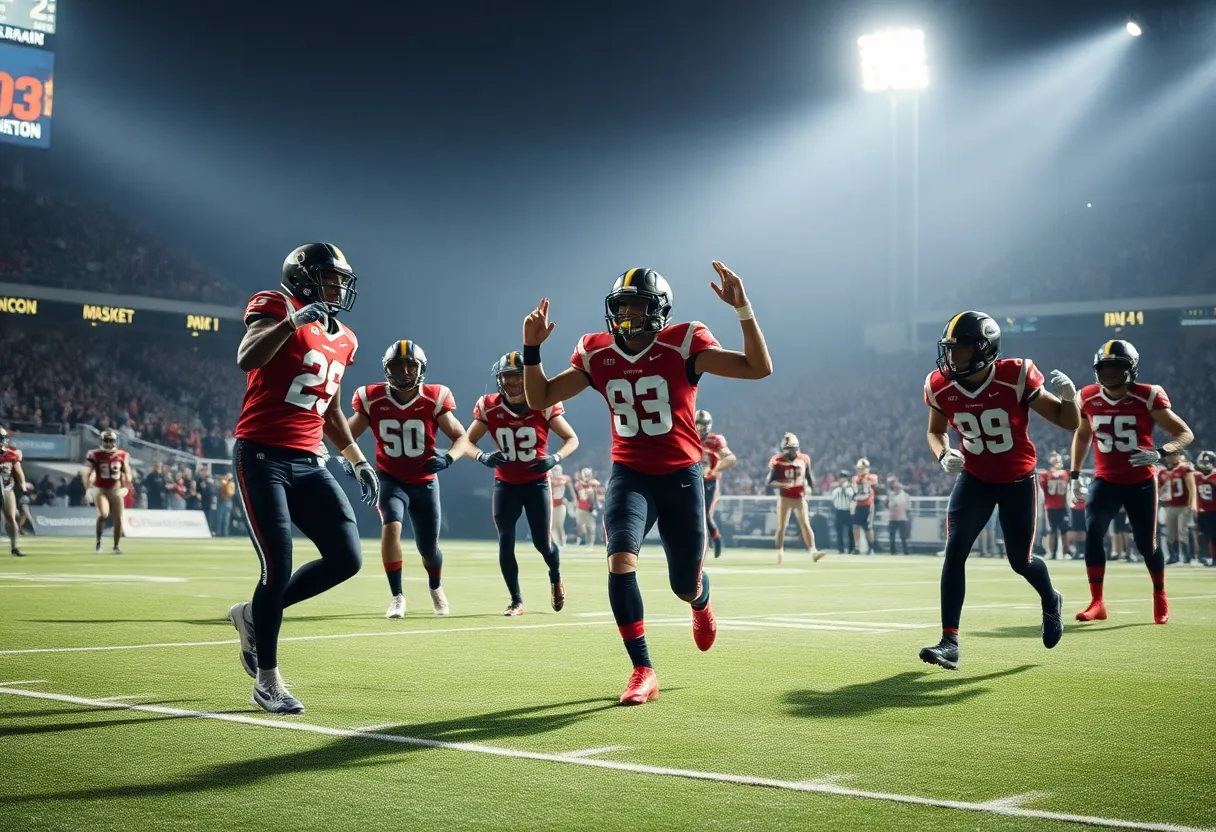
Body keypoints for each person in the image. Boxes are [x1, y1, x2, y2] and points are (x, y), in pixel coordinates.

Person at [521, 262, 772, 705]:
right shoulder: (596, 352)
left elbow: (757, 368)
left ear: (659, 311)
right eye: (622, 308)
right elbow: (540, 398)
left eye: (638, 307)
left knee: (684, 584)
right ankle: (642, 669)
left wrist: (743, 309)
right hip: (630, 474)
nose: (627, 317)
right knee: (620, 562)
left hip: (680, 476)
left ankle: (700, 600)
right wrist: (531, 350)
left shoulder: (684, 341)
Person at [226, 242, 377, 715]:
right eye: (332, 277)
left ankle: (253, 615)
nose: (339, 287)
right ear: (306, 277)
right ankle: (267, 680)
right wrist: (292, 322)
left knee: (347, 558)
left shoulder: (346, 337)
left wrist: (356, 457)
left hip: (310, 460)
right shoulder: (276, 303)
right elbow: (247, 357)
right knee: (278, 566)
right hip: (262, 455)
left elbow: (328, 404)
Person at [920, 311, 1076, 670]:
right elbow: (935, 431)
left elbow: (1068, 421)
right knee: (955, 550)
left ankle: (1051, 599)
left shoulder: (1014, 376)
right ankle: (950, 642)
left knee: (1020, 562)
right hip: (974, 478)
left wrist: (1071, 400)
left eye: (958, 350)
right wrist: (942, 453)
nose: (950, 357)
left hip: (1017, 480)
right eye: (948, 349)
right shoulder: (939, 385)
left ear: (983, 349)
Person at [1070, 340, 1193, 624]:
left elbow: (1184, 433)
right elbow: (1083, 435)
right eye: (1105, 367)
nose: (1110, 373)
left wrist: (1160, 452)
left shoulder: (1147, 396)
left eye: (1117, 367)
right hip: (1105, 480)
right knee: (1093, 534)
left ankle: (1159, 594)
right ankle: (1097, 601)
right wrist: (1074, 474)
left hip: (1141, 481)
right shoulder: (1087, 396)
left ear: (1131, 368)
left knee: (1145, 544)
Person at [454, 350, 580, 615]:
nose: (510, 382)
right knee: (505, 540)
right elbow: (466, 441)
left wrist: (554, 458)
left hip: (536, 484)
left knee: (542, 543)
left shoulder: (543, 403)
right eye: (506, 377)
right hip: (506, 484)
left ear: (526, 378)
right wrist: (482, 456)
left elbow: (571, 438)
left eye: (516, 376)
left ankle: (555, 575)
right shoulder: (489, 405)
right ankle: (516, 600)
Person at [348, 340, 465, 619]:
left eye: (409, 366)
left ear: (420, 368)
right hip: (390, 479)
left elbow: (461, 436)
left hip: (425, 481)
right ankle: (397, 596)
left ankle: (435, 587)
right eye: (397, 366)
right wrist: (349, 458)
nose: (403, 372)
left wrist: (449, 458)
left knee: (428, 548)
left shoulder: (435, 397)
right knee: (391, 527)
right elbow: (346, 434)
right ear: (386, 369)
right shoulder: (372, 397)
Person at [765, 432, 821, 564]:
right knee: (782, 526)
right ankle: (780, 552)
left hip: (799, 497)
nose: (790, 452)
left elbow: (809, 476)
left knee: (806, 524)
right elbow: (769, 481)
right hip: (785, 498)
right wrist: (784, 484)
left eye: (792, 448)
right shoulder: (777, 461)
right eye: (788, 449)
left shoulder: (804, 459)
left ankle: (813, 551)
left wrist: (810, 488)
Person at [84, 429, 133, 553]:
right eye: (106, 440)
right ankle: (98, 541)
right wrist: (87, 488)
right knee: (103, 515)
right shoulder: (95, 454)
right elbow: (86, 472)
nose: (108, 443)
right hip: (100, 489)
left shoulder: (122, 454)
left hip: (115, 490)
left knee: (118, 519)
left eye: (110, 440)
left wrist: (127, 484)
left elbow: (127, 471)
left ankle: (116, 545)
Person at [696, 410, 736, 558]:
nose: (703, 428)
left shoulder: (715, 440)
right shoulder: (688, 438)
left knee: (703, 515)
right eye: (700, 424)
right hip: (691, 482)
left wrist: (714, 470)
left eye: (706, 424)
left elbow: (730, 458)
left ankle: (714, 539)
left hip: (709, 483)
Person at [1157, 451, 1196, 564]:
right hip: (1170, 505)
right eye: (1169, 455)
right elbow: (1159, 489)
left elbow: (1191, 487)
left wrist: (1191, 504)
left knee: (1182, 530)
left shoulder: (1185, 468)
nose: (1171, 458)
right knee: (1170, 532)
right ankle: (1173, 556)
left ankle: (1187, 556)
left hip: (1184, 505)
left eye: (1174, 455)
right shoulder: (1162, 472)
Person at [0, 427, 27, 556]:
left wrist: (23, 487)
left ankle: (14, 547)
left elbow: (19, 472)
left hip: (6, 489)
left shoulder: (11, 454)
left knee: (10, 517)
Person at [1038, 451, 1070, 559]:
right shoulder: (1050, 474)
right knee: (1053, 530)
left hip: (1059, 505)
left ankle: (1063, 552)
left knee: (1061, 531)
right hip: (1052, 505)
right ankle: (1052, 552)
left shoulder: (1051, 474)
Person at [851, 459, 879, 553]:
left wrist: (864, 478)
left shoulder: (872, 477)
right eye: (858, 469)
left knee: (868, 527)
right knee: (855, 526)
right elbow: (855, 488)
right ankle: (857, 547)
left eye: (862, 469)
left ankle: (871, 547)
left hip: (868, 505)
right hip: (859, 505)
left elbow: (874, 485)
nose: (859, 471)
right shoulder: (855, 479)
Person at [1194, 450, 1215, 566]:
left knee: (1214, 536)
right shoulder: (1197, 476)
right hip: (1203, 511)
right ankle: (1205, 557)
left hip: (1214, 510)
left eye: (1206, 462)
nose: (1204, 464)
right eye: (1202, 462)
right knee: (1204, 535)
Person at [573, 468, 602, 548]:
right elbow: (581, 494)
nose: (586, 476)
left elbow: (598, 492)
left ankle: (590, 544)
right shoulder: (579, 484)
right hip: (580, 507)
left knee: (591, 528)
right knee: (581, 527)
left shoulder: (594, 484)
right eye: (585, 474)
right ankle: (581, 539)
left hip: (590, 508)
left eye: (588, 474)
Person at [829, 471, 855, 553]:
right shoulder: (836, 490)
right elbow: (833, 499)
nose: (841, 480)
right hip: (839, 511)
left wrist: (844, 488)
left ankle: (851, 549)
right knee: (839, 532)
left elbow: (851, 496)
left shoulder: (850, 488)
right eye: (840, 478)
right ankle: (841, 549)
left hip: (848, 511)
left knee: (850, 532)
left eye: (843, 478)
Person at [549, 464, 574, 546]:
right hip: (550, 504)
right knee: (551, 526)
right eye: (554, 470)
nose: (556, 472)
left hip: (560, 504)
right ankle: (554, 543)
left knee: (559, 525)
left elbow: (571, 489)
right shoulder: (549, 479)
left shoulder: (564, 478)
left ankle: (562, 543)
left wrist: (574, 499)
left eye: (557, 470)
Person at [887, 476, 911, 555]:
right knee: (892, 536)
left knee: (903, 536)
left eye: (896, 487)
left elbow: (903, 505)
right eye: (894, 487)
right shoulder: (891, 495)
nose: (895, 489)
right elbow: (890, 505)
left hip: (901, 518)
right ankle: (892, 551)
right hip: (893, 518)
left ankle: (905, 551)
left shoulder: (904, 496)